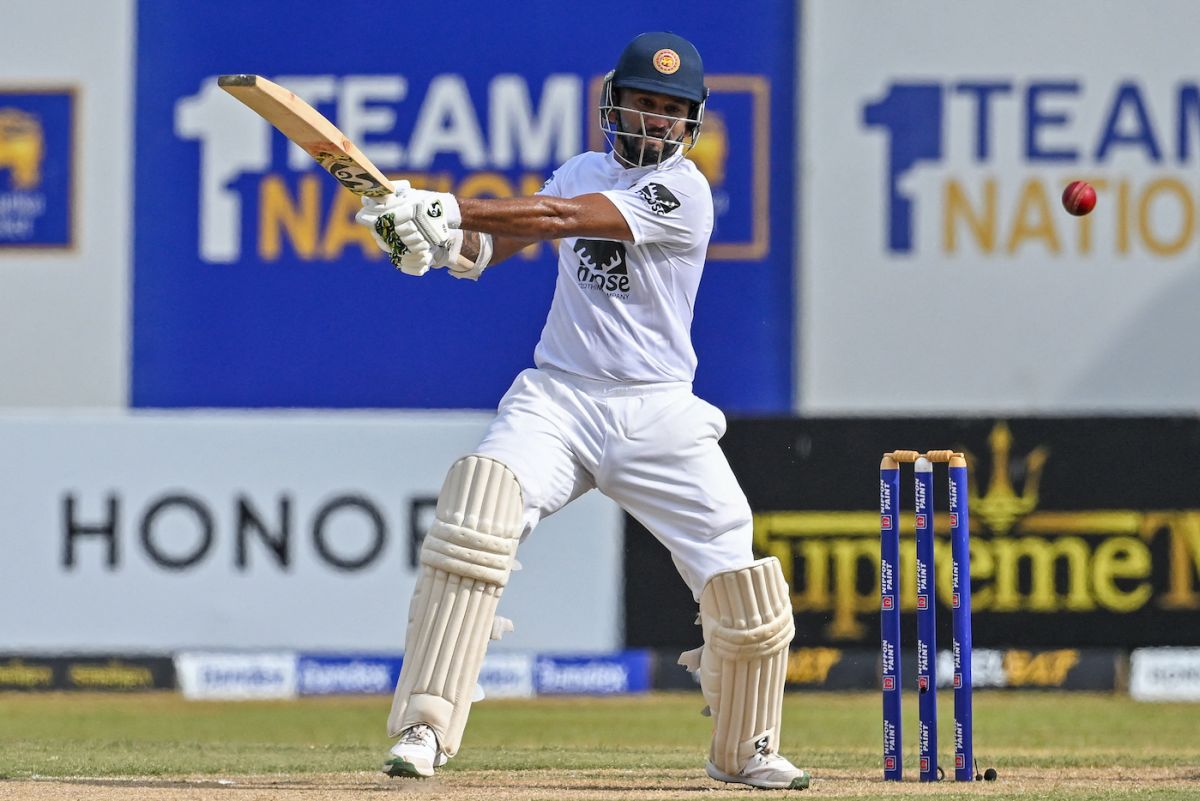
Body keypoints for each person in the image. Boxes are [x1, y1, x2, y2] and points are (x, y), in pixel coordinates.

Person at [354, 31, 810, 791]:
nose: (656, 119)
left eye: (671, 109)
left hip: (658, 411)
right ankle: (426, 725)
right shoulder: (581, 169)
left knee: (743, 581)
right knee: (479, 510)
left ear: (691, 120)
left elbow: (561, 219)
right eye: (644, 102)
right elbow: (493, 247)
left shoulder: (685, 191)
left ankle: (747, 748)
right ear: (614, 103)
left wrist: (445, 203)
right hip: (559, 399)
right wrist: (433, 242)